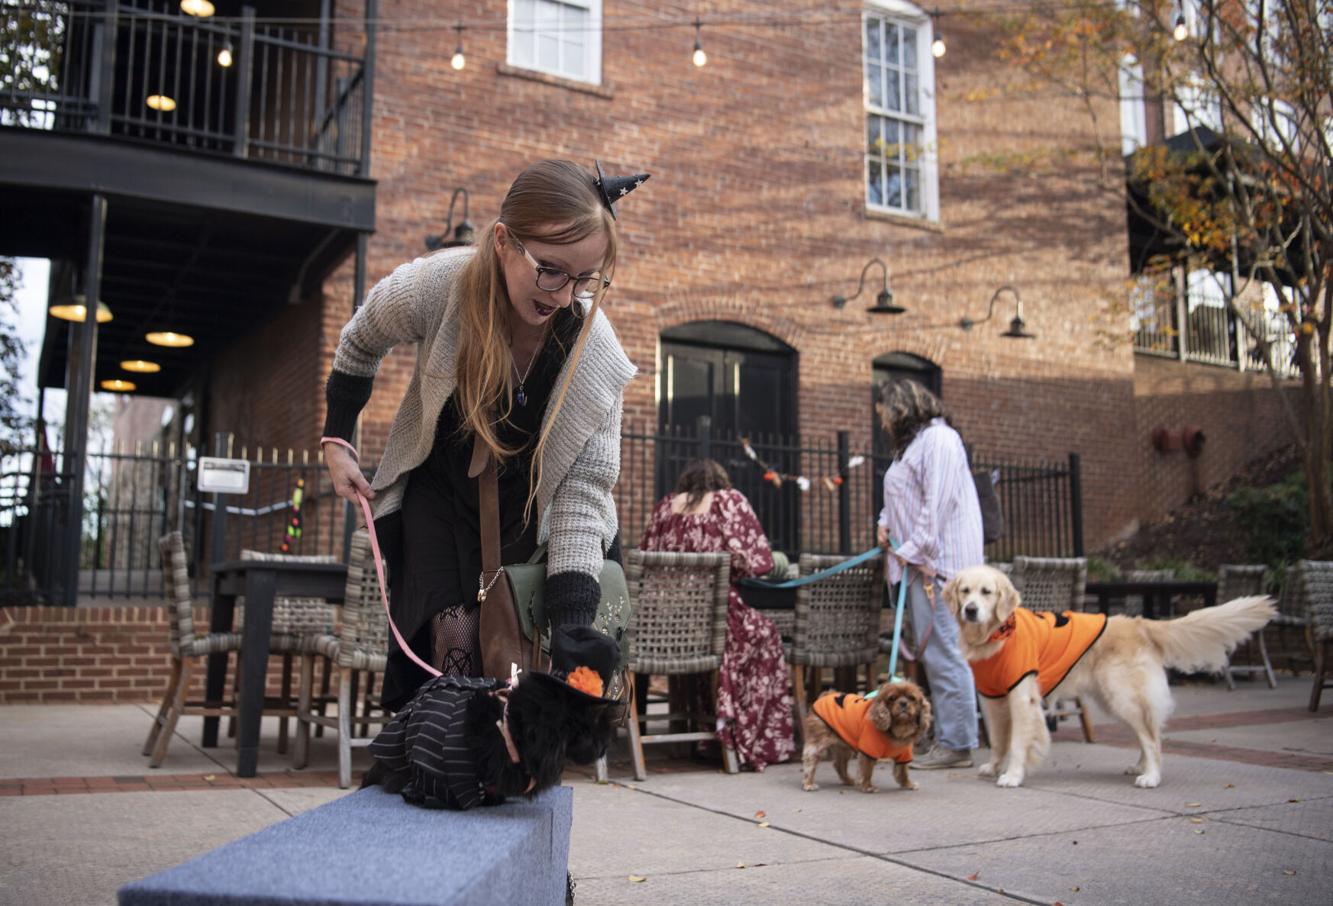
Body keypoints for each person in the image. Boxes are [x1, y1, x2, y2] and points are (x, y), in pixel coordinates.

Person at [321, 160, 646, 711]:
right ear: (502, 241)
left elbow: (583, 492)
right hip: (440, 497)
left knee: (523, 665)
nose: (565, 295)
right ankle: (437, 770)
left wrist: (569, 622)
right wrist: (336, 439)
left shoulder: (594, 348)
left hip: (534, 515)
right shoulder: (438, 285)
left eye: (586, 279)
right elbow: (360, 340)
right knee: (457, 651)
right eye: (551, 270)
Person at [639, 459, 796, 771]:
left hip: (663, 623)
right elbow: (759, 560)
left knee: (737, 639)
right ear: (720, 482)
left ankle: (703, 734)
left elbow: (645, 556)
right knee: (765, 636)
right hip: (714, 619)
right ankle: (744, 734)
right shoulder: (729, 502)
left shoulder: (664, 507)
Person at [875, 378, 983, 769]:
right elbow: (904, 498)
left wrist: (908, 552)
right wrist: (884, 523)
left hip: (939, 569)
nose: (883, 421)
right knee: (933, 654)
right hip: (918, 564)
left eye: (884, 412)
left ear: (900, 407)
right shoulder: (914, 446)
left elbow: (934, 509)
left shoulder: (939, 441)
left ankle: (957, 743)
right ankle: (942, 735)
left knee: (944, 653)